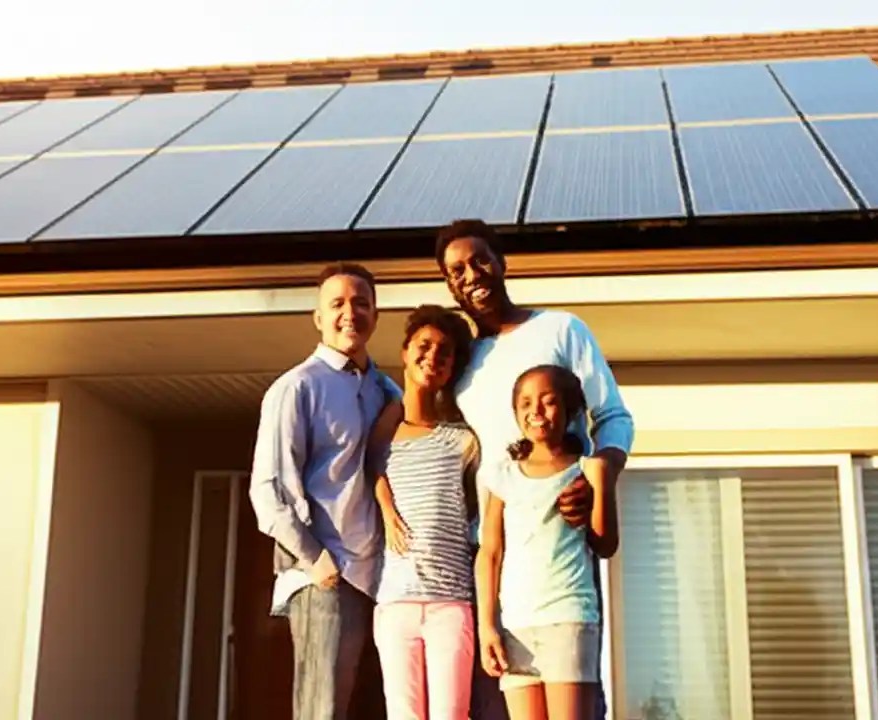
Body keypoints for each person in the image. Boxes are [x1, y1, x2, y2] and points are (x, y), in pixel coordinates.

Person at [437, 219, 634, 720]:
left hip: (563, 544)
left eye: (480, 260)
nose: (471, 275)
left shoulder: (560, 330)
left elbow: (613, 417)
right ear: (450, 285)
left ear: (501, 263)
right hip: (500, 556)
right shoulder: (463, 364)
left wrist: (598, 478)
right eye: (456, 270)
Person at [248, 262, 402, 720]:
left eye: (361, 303)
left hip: (383, 580)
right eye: (337, 304)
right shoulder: (297, 387)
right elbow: (267, 490)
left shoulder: (387, 391)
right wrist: (315, 558)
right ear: (318, 317)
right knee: (322, 711)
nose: (350, 313)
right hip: (327, 576)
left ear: (376, 314)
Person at [475, 365, 619, 720]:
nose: (536, 411)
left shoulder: (583, 471)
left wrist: (602, 482)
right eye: (525, 403)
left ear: (570, 410)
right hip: (515, 625)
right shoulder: (503, 476)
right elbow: (490, 553)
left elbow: (605, 545)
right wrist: (487, 626)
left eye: (548, 401)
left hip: (568, 619)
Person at [367, 304, 480, 720]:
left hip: (451, 601)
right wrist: (386, 506)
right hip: (395, 600)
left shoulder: (464, 439)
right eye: (424, 345)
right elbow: (368, 466)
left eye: (444, 352)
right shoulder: (384, 429)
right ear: (405, 351)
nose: (433, 356)